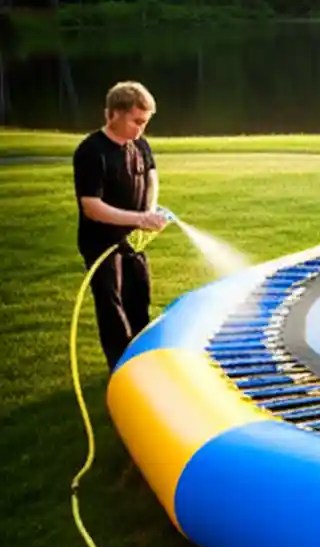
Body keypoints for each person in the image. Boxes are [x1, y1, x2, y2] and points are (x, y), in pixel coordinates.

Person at [73, 81, 169, 371]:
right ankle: (121, 369)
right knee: (111, 307)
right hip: (101, 243)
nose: (141, 129)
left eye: (145, 122)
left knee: (139, 297)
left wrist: (150, 209)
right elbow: (91, 207)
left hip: (134, 241)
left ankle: (143, 361)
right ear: (113, 113)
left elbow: (151, 175)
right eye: (136, 121)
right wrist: (140, 219)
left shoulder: (139, 143)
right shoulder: (91, 152)